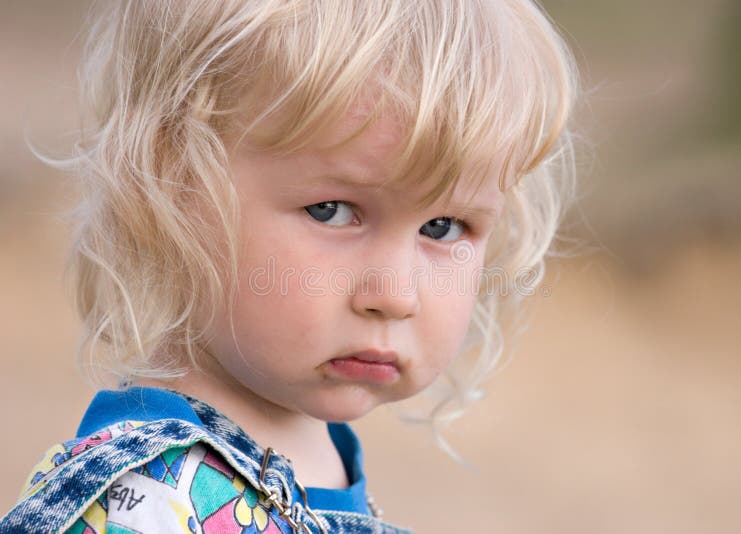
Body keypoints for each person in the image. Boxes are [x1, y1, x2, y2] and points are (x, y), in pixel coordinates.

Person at [0, 0, 578, 532]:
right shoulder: (151, 499)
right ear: (175, 182)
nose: (397, 295)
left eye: (443, 227)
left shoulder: (319, 455)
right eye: (331, 211)